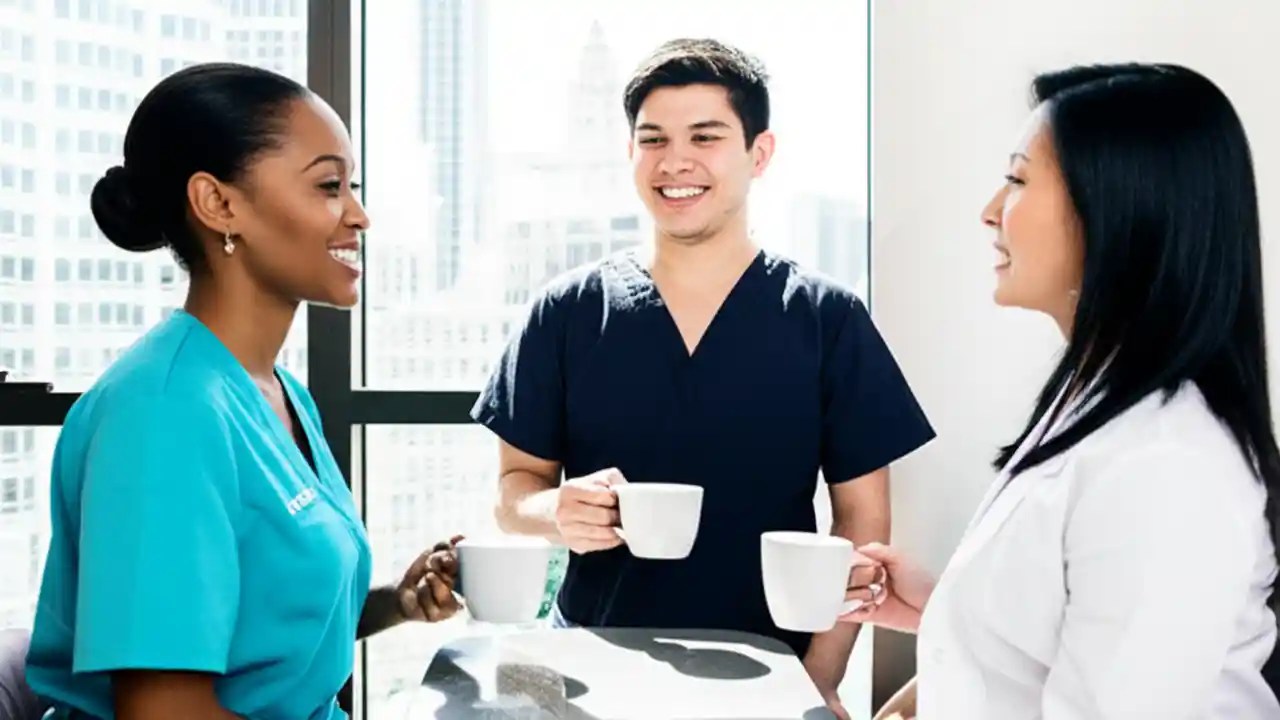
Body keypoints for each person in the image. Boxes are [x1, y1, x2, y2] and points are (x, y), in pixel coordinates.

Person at [471, 38, 934, 718]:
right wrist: (555, 513)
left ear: (759, 153)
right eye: (652, 139)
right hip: (586, 667)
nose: (675, 161)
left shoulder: (826, 318)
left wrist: (818, 677)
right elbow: (515, 494)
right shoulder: (567, 311)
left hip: (765, 669)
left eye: (705, 136)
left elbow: (862, 520)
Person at [25, 63, 464, 720]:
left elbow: (259, 632)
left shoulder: (278, 392)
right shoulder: (163, 414)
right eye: (328, 186)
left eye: (353, 186)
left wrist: (395, 601)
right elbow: (165, 711)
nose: (359, 215)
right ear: (219, 204)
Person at [844, 63, 1280, 719]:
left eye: (1018, 179)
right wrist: (948, 613)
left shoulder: (1168, 464)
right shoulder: (1097, 403)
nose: (991, 210)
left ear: (1114, 210)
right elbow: (1079, 635)